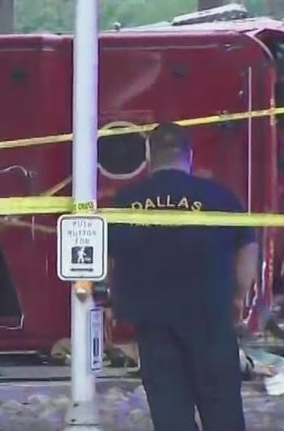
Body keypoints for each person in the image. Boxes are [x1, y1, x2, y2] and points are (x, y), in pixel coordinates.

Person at [109, 122, 258, 431]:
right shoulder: (220, 197)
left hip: (154, 324)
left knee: (170, 414)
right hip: (212, 320)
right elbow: (247, 246)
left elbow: (110, 260)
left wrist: (118, 303)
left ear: (150, 155)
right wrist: (238, 298)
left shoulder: (125, 201)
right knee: (223, 411)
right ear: (188, 155)